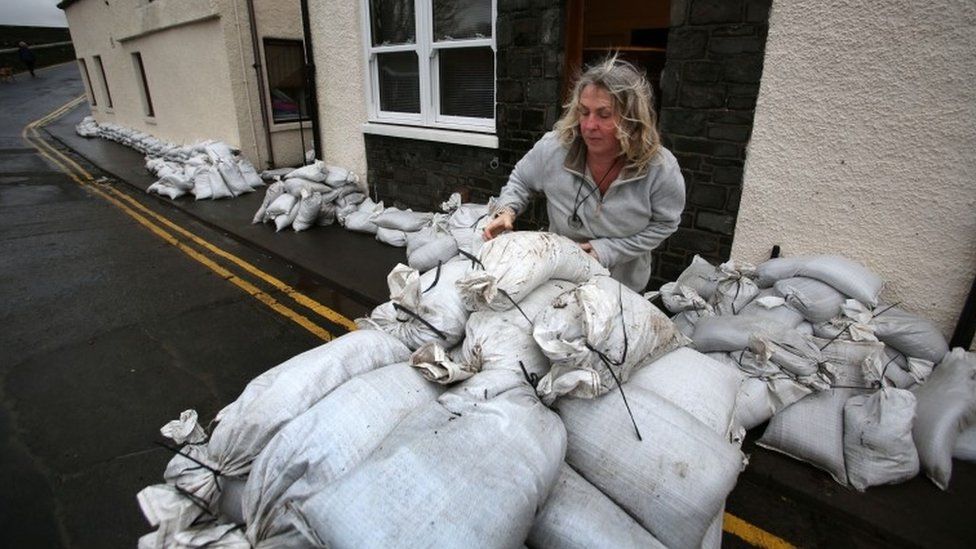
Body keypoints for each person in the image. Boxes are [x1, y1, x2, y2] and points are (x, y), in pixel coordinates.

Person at [483, 56, 685, 292]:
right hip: (560, 279)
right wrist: (507, 209)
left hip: (622, 287)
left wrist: (608, 250)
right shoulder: (553, 149)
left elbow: (664, 224)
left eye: (604, 114)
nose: (589, 126)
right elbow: (521, 179)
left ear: (632, 119)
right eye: (584, 112)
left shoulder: (660, 168)